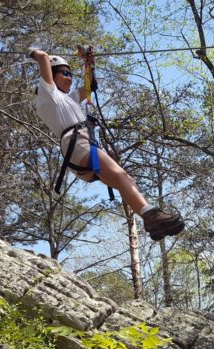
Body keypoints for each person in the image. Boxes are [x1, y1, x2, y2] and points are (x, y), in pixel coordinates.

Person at [28, 48, 184, 241]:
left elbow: (89, 87)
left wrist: (89, 63)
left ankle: (151, 221)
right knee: (122, 176)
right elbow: (43, 57)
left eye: (71, 74)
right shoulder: (48, 93)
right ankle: (152, 216)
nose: (69, 78)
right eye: (65, 73)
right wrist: (32, 52)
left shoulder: (66, 100)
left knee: (125, 181)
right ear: (51, 74)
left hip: (79, 147)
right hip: (78, 144)